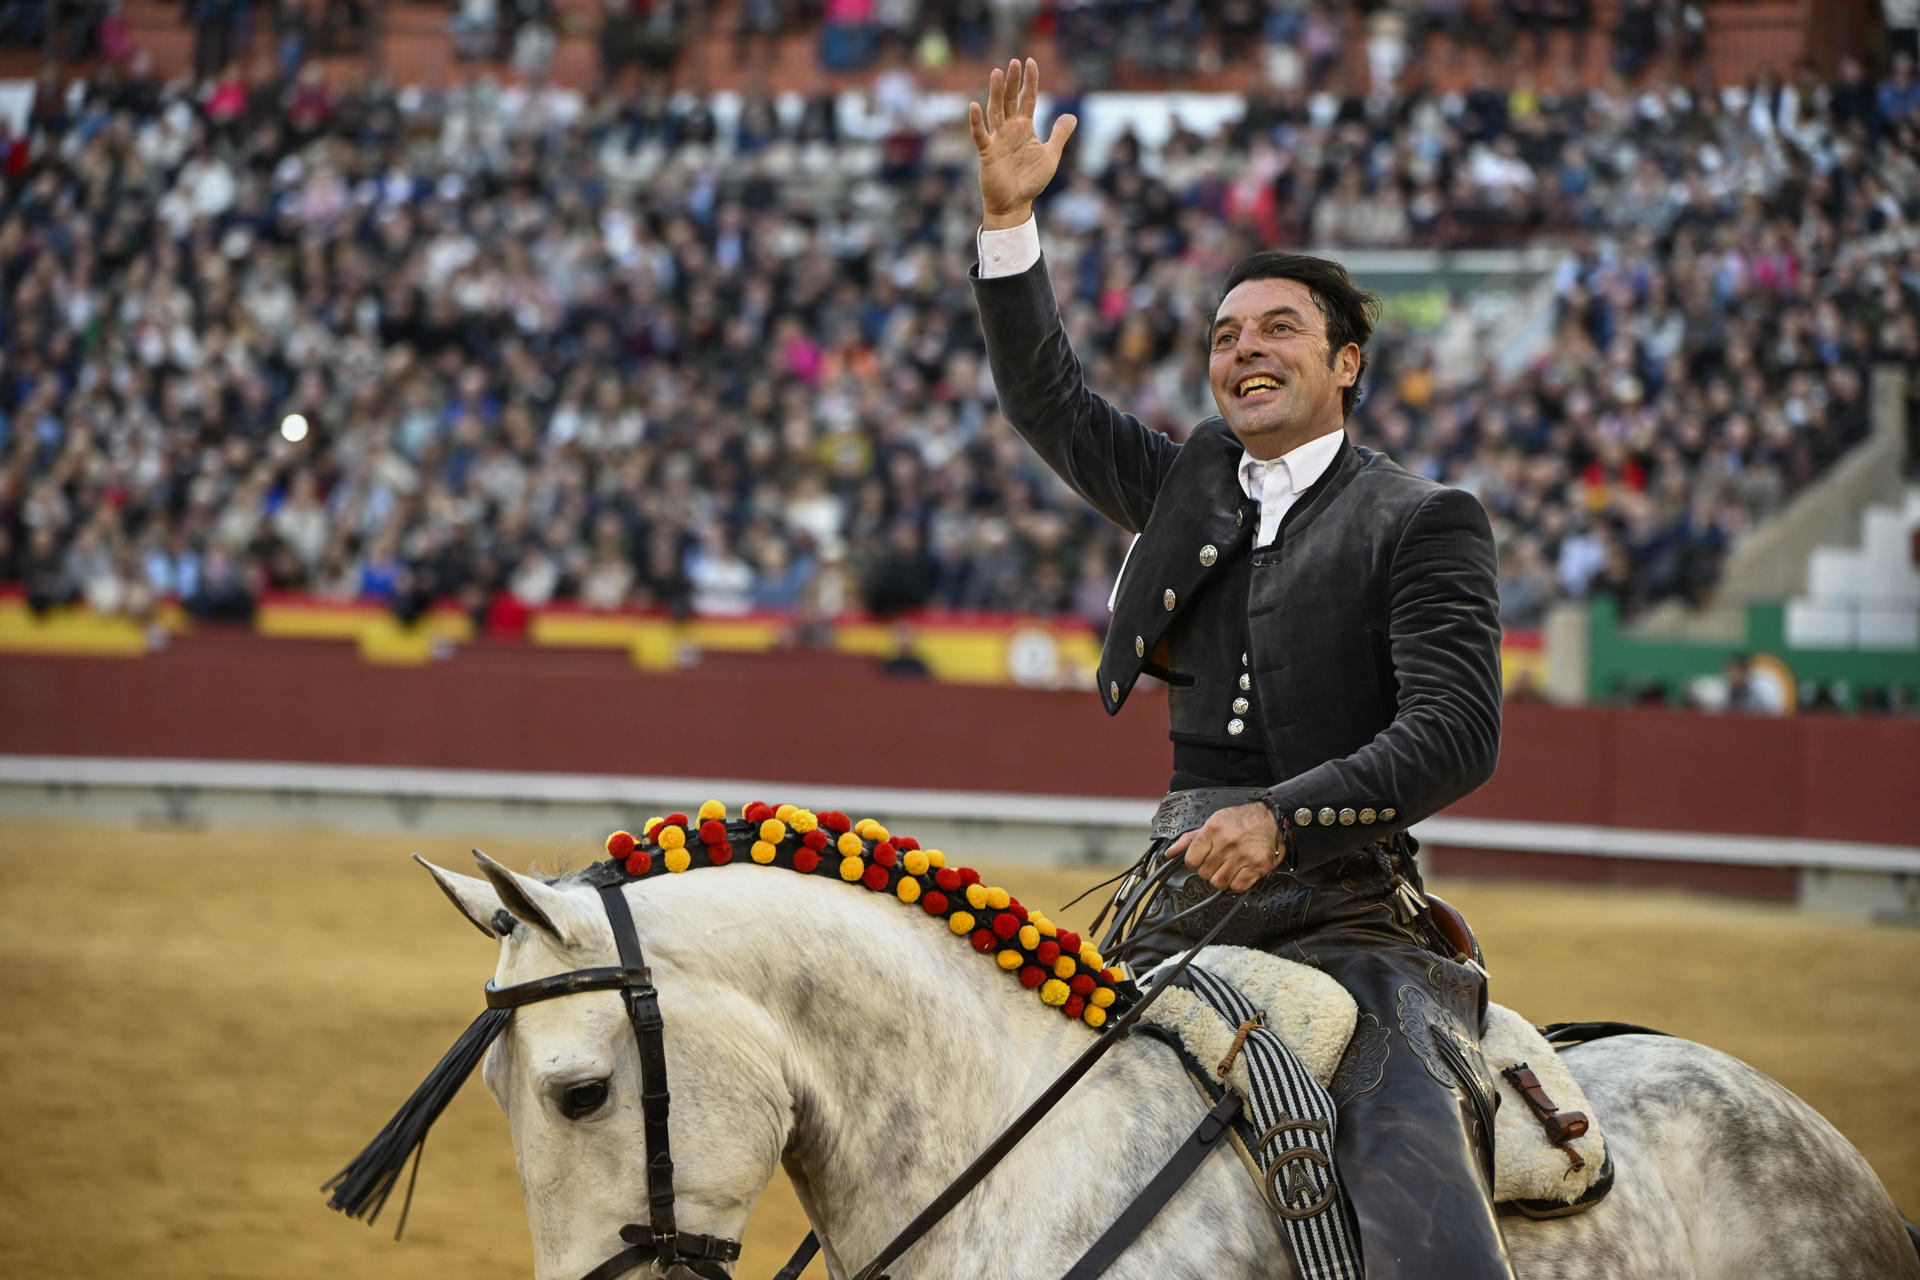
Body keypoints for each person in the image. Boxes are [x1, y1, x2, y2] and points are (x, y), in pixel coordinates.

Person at [966, 58, 1511, 1280]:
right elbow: (1047, 401)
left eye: (1279, 329)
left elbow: (1458, 732)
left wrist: (1285, 816)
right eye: (1225, 335)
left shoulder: (1424, 518)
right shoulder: (1185, 484)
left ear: (1347, 364)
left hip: (1348, 912)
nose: (1244, 351)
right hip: (1179, 900)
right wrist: (1010, 225)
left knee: (1413, 1189)